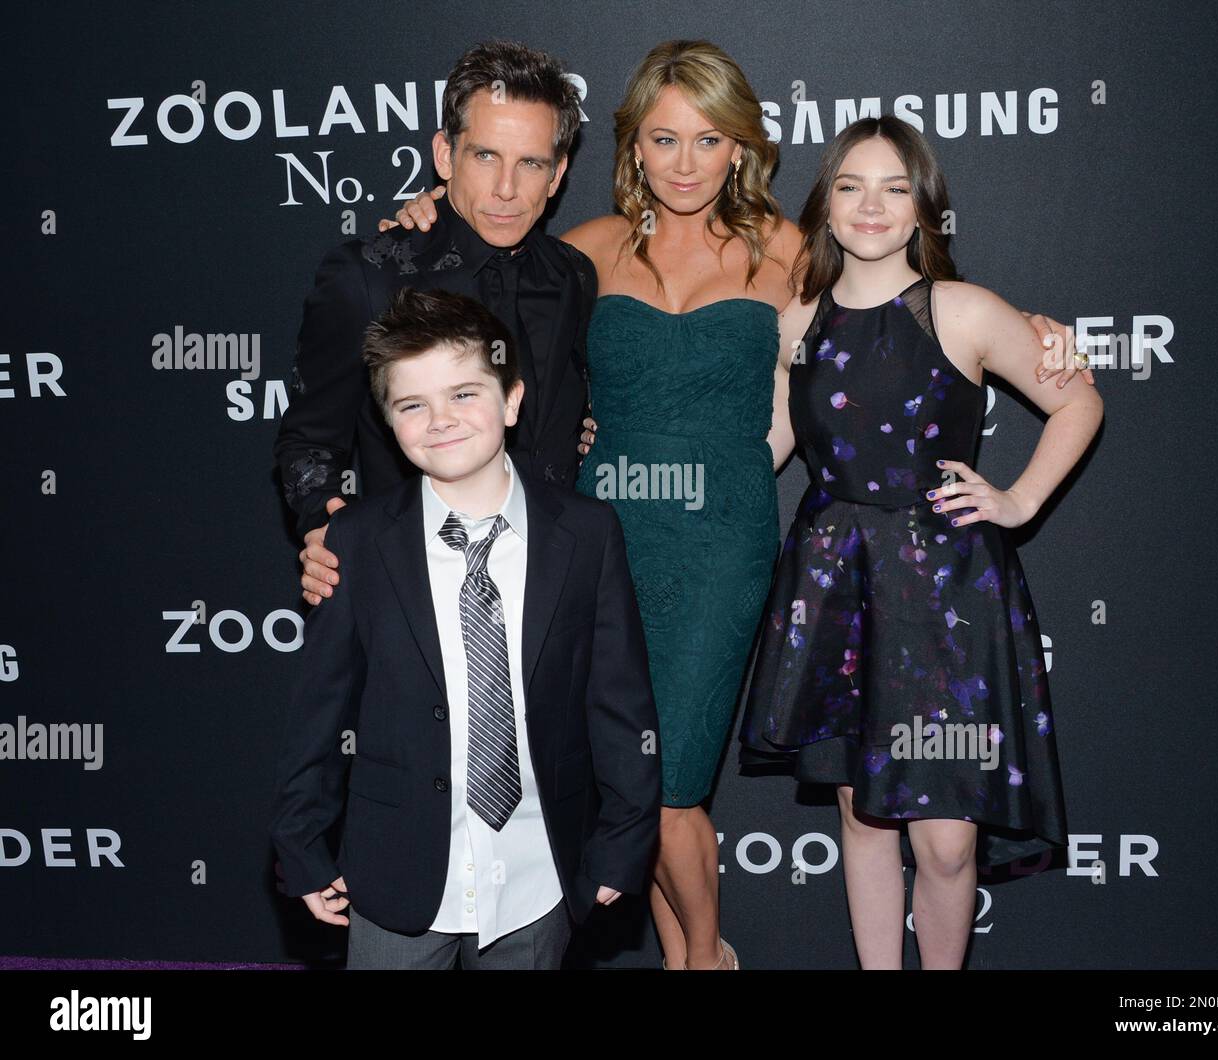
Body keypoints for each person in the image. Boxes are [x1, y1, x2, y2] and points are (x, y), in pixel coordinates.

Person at [388, 39, 1086, 972]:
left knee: (673, 780)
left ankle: (707, 961)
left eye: (708, 140)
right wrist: (432, 212)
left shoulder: (791, 254)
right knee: (617, 776)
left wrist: (1045, 337)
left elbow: (889, 309)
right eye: (665, 139)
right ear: (634, 147)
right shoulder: (584, 252)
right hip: (603, 532)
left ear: (741, 151)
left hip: (723, 537)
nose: (685, 163)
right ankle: (693, 959)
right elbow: (489, 285)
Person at [739, 116, 1103, 969]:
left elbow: (1078, 401)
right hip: (835, 589)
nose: (872, 205)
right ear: (826, 206)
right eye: (851, 185)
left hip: (948, 596)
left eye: (895, 187)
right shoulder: (798, 317)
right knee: (863, 816)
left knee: (944, 842)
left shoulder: (964, 309)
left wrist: (1018, 500)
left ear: (923, 208)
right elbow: (762, 453)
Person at [268, 287, 660, 969]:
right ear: (388, 422)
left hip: (537, 875)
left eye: (464, 394)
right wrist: (300, 842)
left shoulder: (586, 534)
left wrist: (624, 842)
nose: (440, 420)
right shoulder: (357, 540)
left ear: (511, 400)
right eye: (412, 404)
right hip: (396, 873)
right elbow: (319, 709)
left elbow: (621, 704)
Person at [279, 39, 595, 606]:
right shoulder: (369, 275)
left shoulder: (573, 276)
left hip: (551, 590)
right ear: (445, 156)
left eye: (530, 163)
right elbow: (309, 440)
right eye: (485, 156)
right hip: (409, 590)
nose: (506, 189)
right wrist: (323, 522)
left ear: (557, 174)